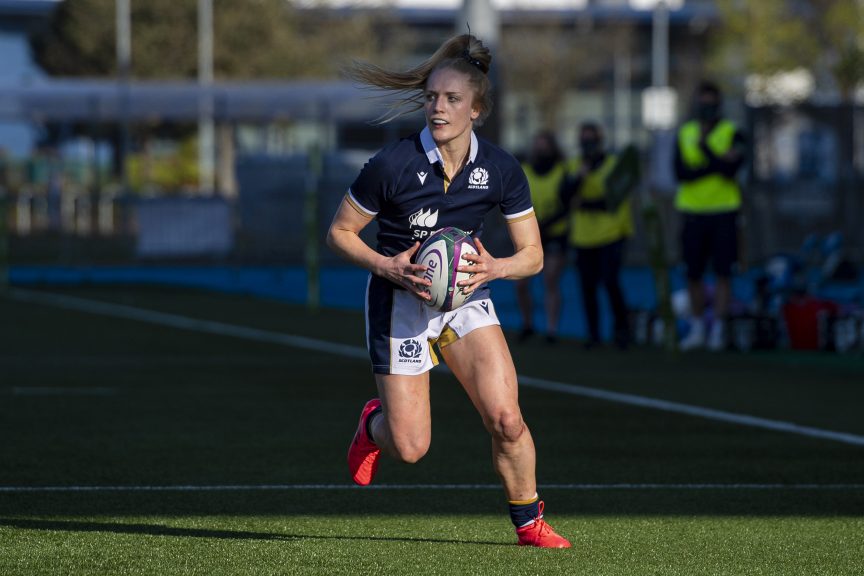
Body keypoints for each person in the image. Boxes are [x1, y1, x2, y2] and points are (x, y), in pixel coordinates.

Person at [326, 34, 570, 548]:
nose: (438, 107)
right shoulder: (392, 165)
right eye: (432, 97)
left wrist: (496, 269)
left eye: (453, 99)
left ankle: (529, 523)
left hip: (468, 299)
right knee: (411, 447)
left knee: (507, 419)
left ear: (477, 109)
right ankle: (373, 425)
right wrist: (385, 265)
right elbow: (340, 233)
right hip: (400, 304)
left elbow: (534, 255)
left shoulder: (501, 169)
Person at [674, 81, 746, 351]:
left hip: (724, 212)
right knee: (693, 273)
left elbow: (731, 171)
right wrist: (716, 163)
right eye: (702, 102)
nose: (706, 108)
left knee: (723, 272)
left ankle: (718, 328)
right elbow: (681, 173)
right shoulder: (686, 132)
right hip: (693, 213)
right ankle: (697, 327)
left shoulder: (733, 132)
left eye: (711, 103)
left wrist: (704, 153)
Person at [561, 122, 634, 349]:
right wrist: (580, 178)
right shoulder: (574, 166)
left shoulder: (613, 165)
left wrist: (583, 203)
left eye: (591, 139)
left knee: (611, 282)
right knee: (587, 287)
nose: (587, 144)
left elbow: (611, 201)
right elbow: (565, 197)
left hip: (611, 233)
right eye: (584, 139)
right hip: (583, 236)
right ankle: (594, 334)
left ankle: (622, 330)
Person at [515, 130, 569, 344]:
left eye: (545, 144)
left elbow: (567, 204)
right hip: (530, 233)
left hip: (555, 233)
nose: (541, 149)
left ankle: (551, 329)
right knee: (520, 283)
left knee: (550, 279)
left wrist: (548, 224)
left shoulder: (561, 171)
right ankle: (527, 324)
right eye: (538, 144)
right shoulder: (525, 170)